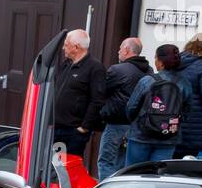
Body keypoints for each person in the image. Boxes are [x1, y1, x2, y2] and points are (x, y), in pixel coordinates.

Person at [125, 44, 193, 166]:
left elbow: (131, 107)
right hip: (168, 137)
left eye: (156, 58)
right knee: (157, 176)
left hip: (141, 135)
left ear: (161, 62)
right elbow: (187, 111)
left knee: (133, 174)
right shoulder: (184, 83)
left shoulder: (148, 80)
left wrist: (137, 123)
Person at [98, 37, 152, 179]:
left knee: (106, 162)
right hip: (138, 127)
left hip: (116, 124)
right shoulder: (149, 71)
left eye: (120, 48)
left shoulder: (118, 70)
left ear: (127, 50)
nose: (118, 51)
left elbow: (101, 91)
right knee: (124, 166)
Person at [55, 29, 107, 158]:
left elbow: (98, 100)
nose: (63, 48)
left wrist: (84, 127)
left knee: (70, 168)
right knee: (55, 166)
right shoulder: (66, 65)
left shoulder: (95, 68)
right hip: (56, 127)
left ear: (76, 47)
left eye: (66, 45)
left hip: (74, 131)